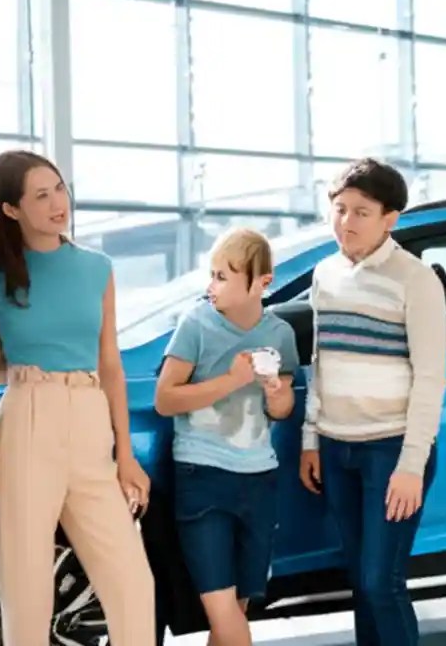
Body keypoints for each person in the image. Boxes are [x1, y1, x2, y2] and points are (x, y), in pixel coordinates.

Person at [0, 150, 155, 644]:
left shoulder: (96, 268)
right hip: (29, 415)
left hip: (90, 419)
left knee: (133, 583)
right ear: (11, 209)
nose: (58, 203)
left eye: (59, 188)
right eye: (41, 195)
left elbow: (111, 365)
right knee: (27, 590)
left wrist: (126, 456)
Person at [298, 158, 446, 646]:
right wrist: (310, 440)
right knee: (361, 585)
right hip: (337, 449)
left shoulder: (416, 279)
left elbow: (430, 378)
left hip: (391, 451)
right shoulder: (325, 275)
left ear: (390, 218)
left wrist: (411, 464)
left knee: (381, 584)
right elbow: (320, 361)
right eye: (339, 209)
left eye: (361, 212)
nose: (346, 221)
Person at [154, 227, 300, 646]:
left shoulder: (280, 336)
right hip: (203, 477)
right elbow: (165, 399)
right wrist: (232, 380)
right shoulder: (196, 325)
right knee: (223, 613)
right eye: (212, 274)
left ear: (262, 283)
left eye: (222, 277)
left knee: (233, 614)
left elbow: (282, 411)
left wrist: (279, 394)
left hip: (259, 480)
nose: (210, 286)